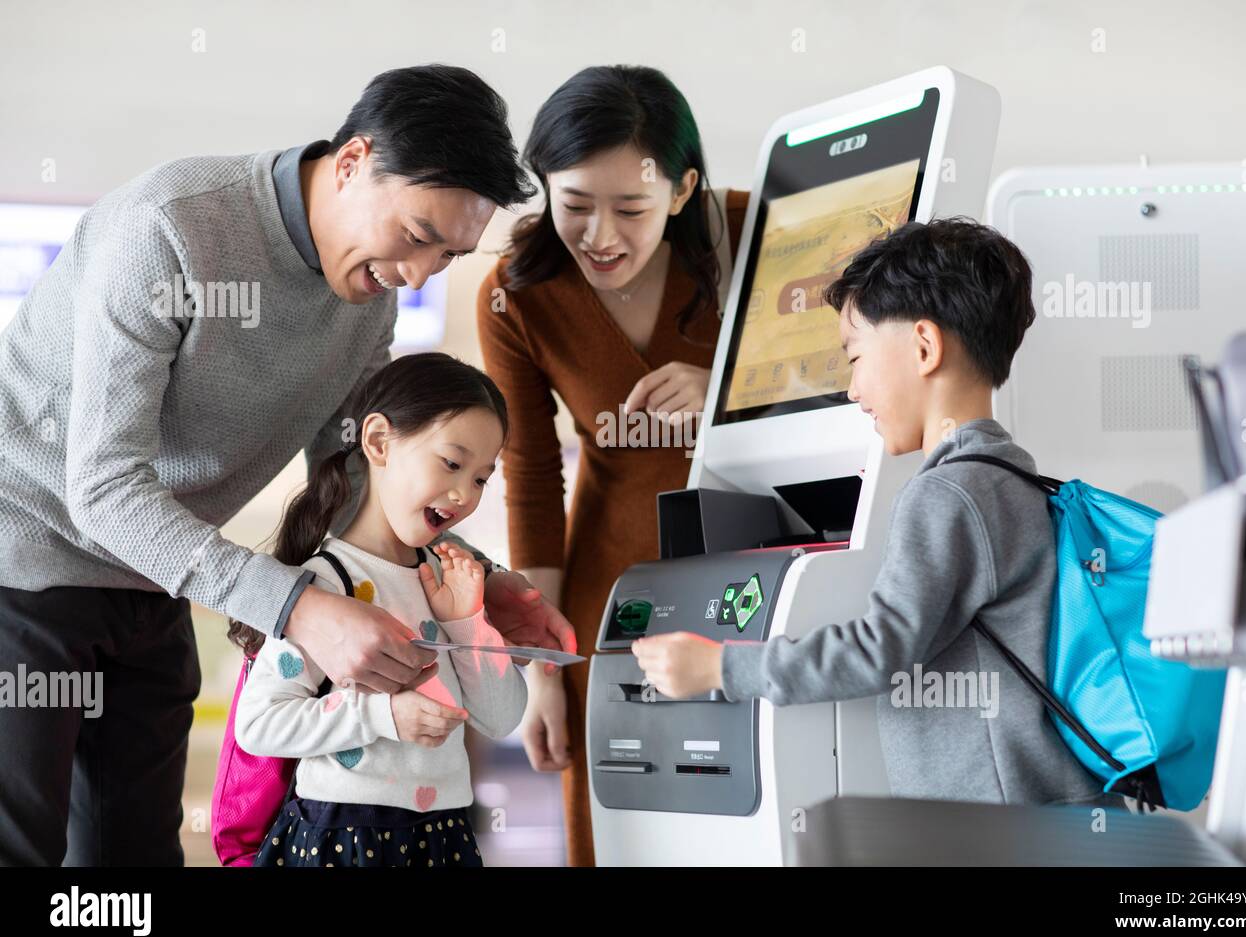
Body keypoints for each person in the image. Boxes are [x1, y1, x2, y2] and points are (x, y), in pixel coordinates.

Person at [0, 63, 572, 867]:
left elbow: (360, 479)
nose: (414, 278)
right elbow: (102, 489)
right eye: (414, 236)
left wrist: (483, 578)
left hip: (153, 574)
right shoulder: (170, 227)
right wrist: (297, 608)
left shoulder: (364, 299)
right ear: (351, 163)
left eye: (446, 257)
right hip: (24, 558)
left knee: (131, 862)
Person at [632, 218, 1126, 807]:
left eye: (856, 355)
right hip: (1043, 812)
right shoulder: (1010, 477)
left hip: (1005, 831)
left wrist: (720, 667)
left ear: (923, 347)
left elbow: (879, 649)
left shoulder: (948, 493)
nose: (851, 388)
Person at [476, 65, 746, 865]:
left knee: (745, 789)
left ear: (682, 187)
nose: (601, 236)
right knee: (619, 805)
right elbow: (529, 474)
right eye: (574, 206)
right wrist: (544, 670)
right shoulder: (517, 295)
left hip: (750, 558)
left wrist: (728, 389)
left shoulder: (749, 235)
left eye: (631, 208)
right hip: (607, 579)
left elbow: (853, 375)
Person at [234, 353, 526, 867]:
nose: (464, 495)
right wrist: (382, 715)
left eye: (482, 478)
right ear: (377, 442)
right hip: (344, 840)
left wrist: (468, 621)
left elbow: (501, 719)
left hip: (445, 836)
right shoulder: (324, 588)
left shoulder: (449, 578)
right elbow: (260, 724)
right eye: (452, 463)